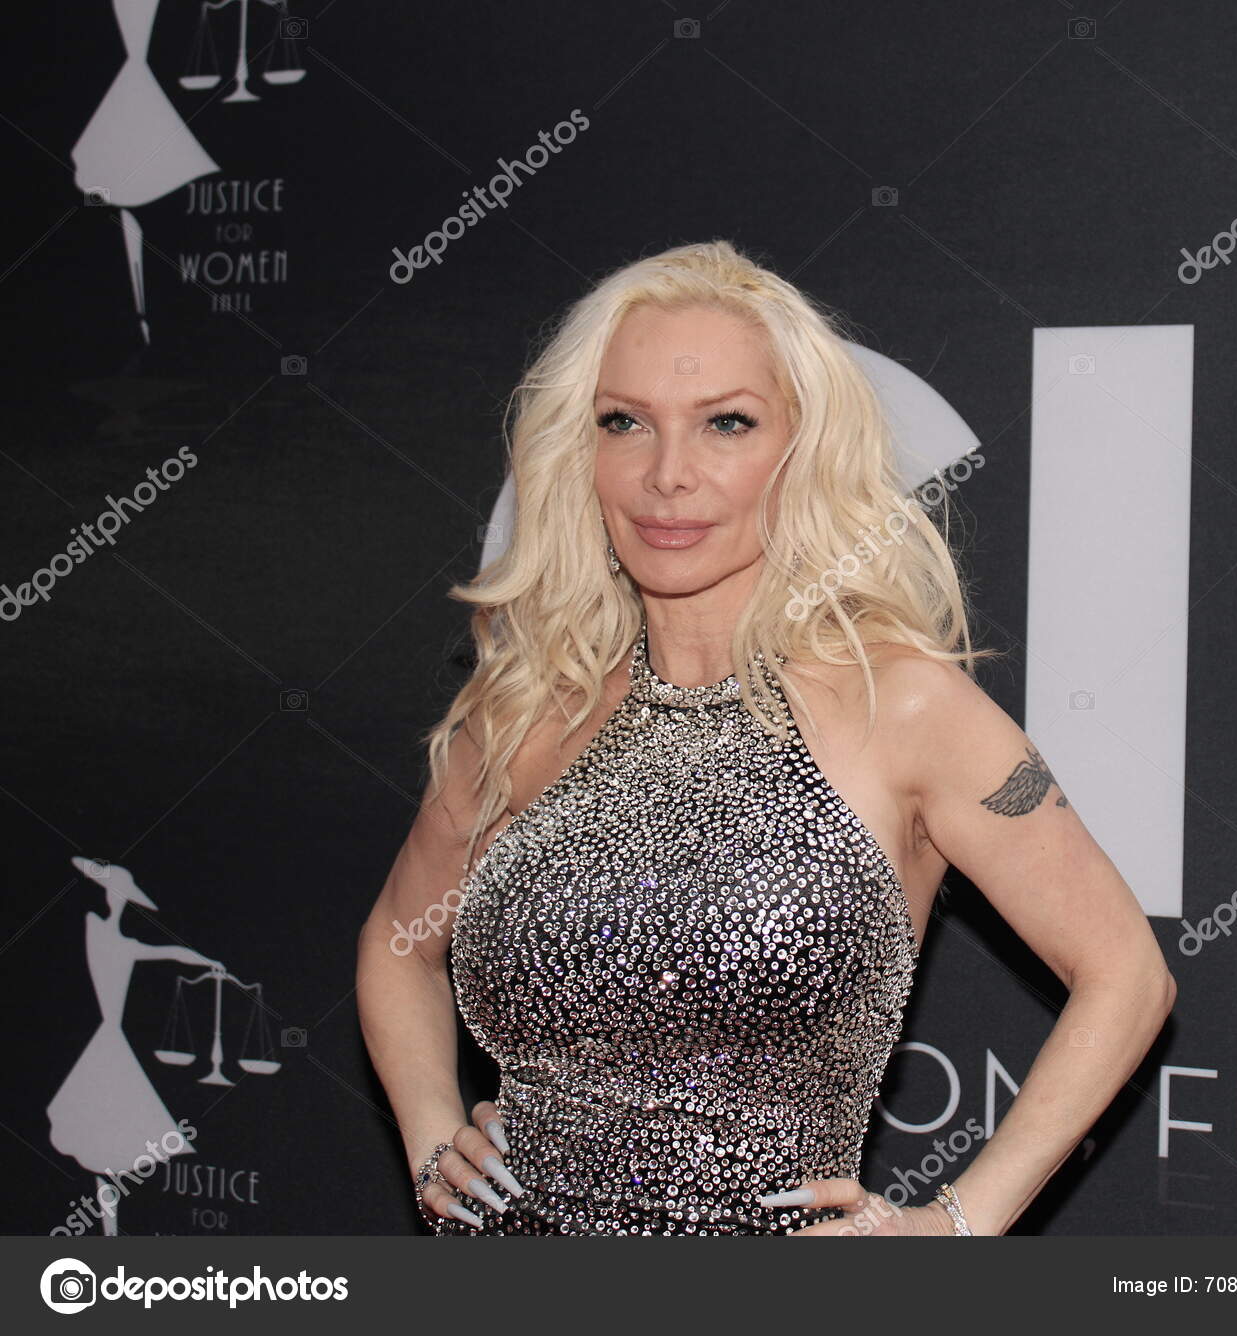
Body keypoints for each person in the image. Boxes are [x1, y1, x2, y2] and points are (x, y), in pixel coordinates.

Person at [355, 239, 1175, 1236]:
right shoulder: (528, 708)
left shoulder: (903, 709)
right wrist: (433, 1127)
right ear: (582, 450)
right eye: (626, 423)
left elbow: (1126, 974)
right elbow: (398, 947)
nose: (667, 475)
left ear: (802, 449)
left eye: (725, 424)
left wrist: (962, 1221)